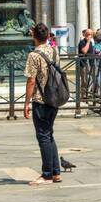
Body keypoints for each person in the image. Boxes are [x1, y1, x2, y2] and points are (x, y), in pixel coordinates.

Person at [23, 22, 63, 186]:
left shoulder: (34, 55)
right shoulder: (54, 50)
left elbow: (31, 80)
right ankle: (56, 172)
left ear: (34, 36)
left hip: (40, 99)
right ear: (47, 36)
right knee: (49, 134)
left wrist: (26, 102)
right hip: (54, 98)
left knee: (43, 136)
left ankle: (46, 174)